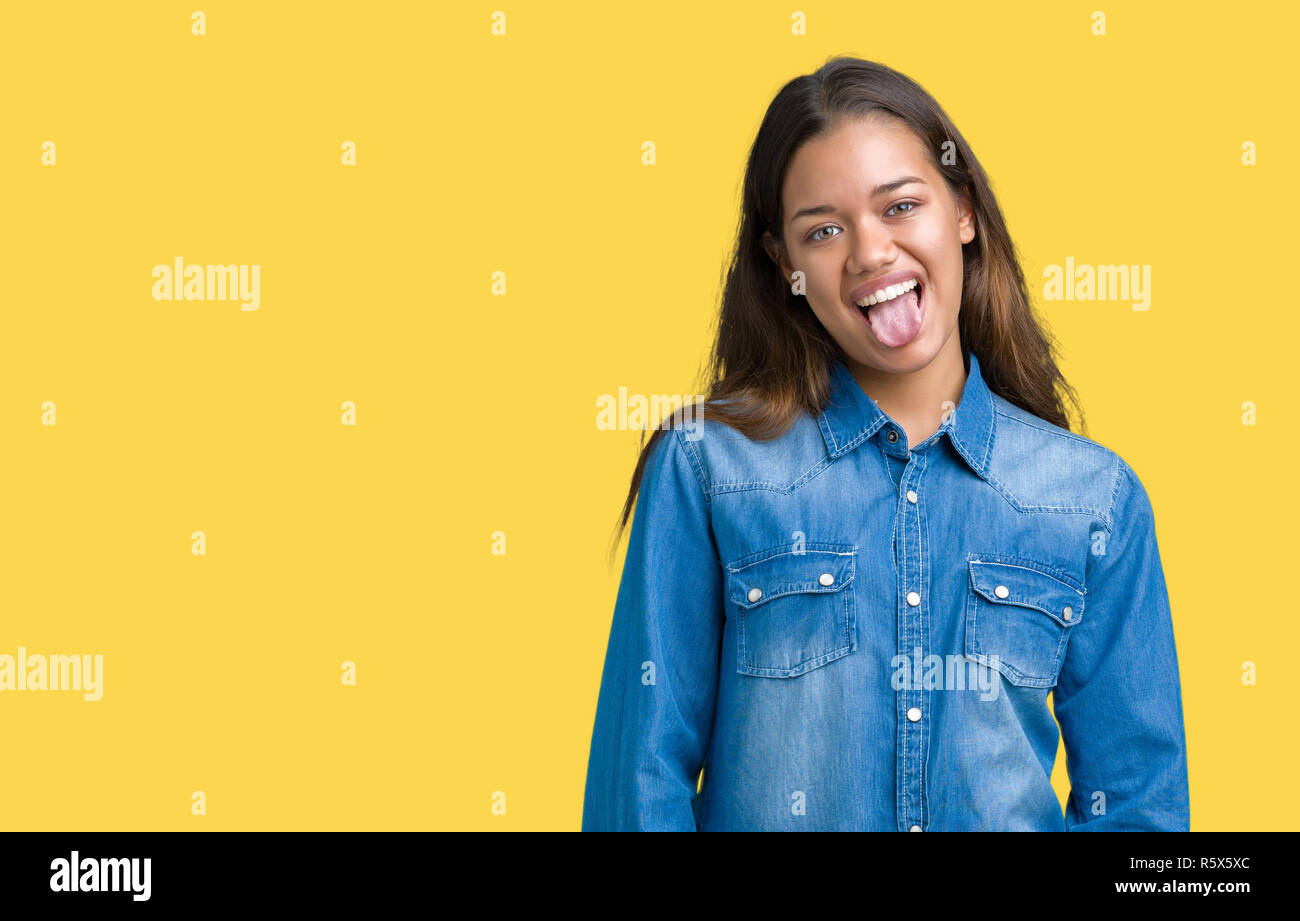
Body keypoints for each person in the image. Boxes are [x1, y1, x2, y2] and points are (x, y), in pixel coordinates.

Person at [581, 56, 1189, 831]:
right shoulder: (708, 469)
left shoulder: (1093, 499)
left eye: (900, 206)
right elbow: (639, 790)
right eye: (825, 230)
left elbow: (1142, 812)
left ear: (962, 210)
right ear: (785, 264)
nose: (870, 254)